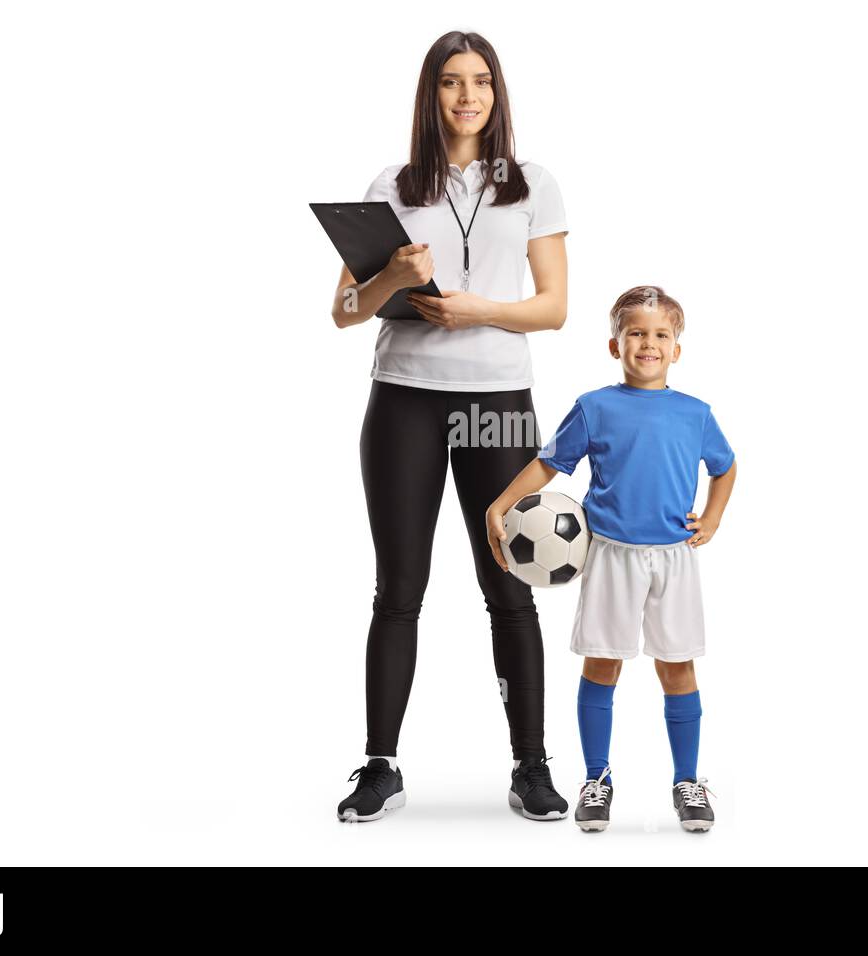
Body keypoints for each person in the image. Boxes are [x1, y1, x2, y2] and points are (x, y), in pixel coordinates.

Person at [329, 31, 571, 822]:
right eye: (449, 83)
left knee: (509, 586)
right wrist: (393, 274)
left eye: (480, 83)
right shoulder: (391, 184)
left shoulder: (531, 184)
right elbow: (342, 311)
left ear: (497, 94)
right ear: (429, 95)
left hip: (495, 403)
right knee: (398, 590)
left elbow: (555, 307)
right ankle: (379, 765)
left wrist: (479, 311)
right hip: (403, 399)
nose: (467, 97)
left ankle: (531, 766)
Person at [486, 285, 738, 832]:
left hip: (673, 559)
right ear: (614, 344)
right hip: (611, 556)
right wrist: (503, 502)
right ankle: (596, 779)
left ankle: (687, 782)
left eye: (660, 335)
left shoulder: (696, 414)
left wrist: (713, 516)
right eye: (636, 333)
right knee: (602, 664)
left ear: (677, 349)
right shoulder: (594, 407)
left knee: (678, 668)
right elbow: (549, 464)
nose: (648, 343)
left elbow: (725, 466)